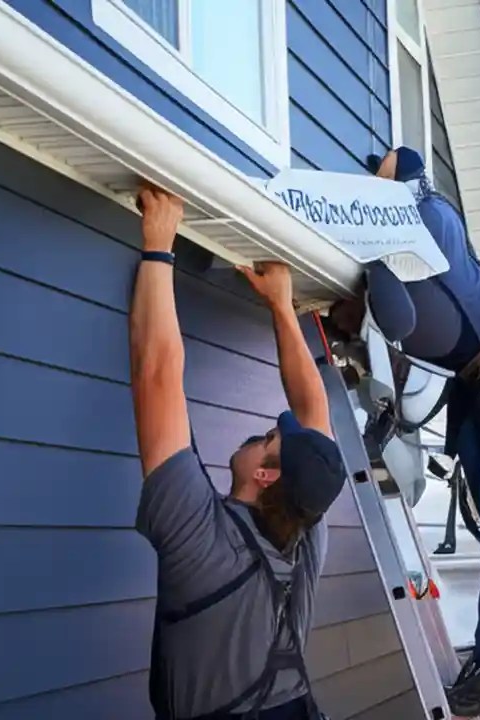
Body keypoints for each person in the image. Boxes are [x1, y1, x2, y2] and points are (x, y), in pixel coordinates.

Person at [329, 147, 480, 719]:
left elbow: (401, 315)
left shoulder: (424, 215)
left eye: (378, 172)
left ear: (399, 176)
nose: (369, 180)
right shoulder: (421, 213)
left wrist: (373, 256)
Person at [129, 184, 348, 720]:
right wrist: (280, 305)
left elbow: (156, 375)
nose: (260, 434)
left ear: (268, 477)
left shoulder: (203, 540)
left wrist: (159, 244)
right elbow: (315, 418)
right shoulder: (301, 527)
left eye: (269, 440)